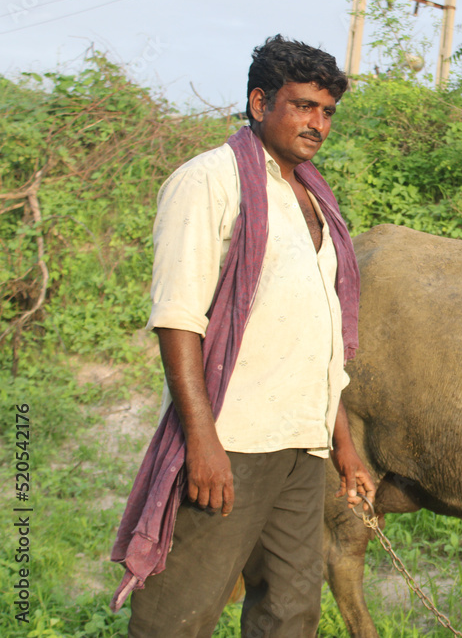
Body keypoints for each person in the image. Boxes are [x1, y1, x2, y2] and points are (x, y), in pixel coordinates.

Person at [111, 34, 375, 637]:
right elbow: (179, 318)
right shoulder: (209, 182)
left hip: (301, 446)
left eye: (327, 111)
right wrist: (203, 443)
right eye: (303, 106)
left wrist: (343, 444)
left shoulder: (313, 197)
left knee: (290, 612)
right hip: (233, 440)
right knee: (180, 610)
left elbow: (319, 334)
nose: (318, 123)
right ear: (260, 103)